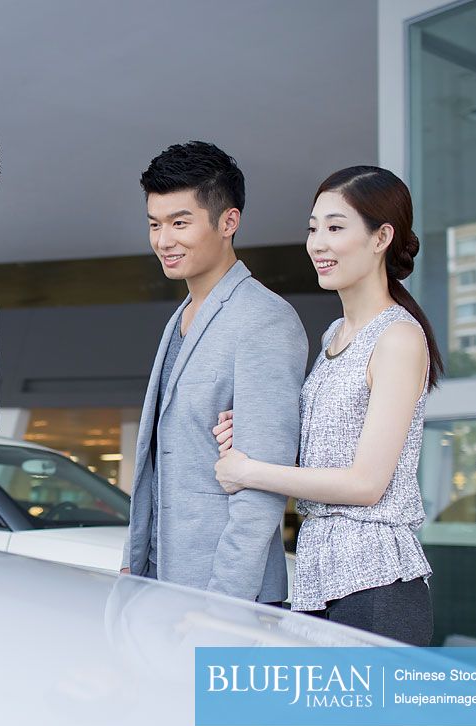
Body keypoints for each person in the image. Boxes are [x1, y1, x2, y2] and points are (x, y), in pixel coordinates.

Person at [214, 165, 443, 645]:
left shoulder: (398, 337)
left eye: (336, 228)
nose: (318, 244)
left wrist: (249, 471)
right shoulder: (334, 338)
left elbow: (365, 484)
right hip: (320, 582)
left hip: (376, 586)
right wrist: (251, 431)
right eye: (313, 229)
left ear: (382, 237)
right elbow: (325, 457)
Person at [122, 142, 307, 603]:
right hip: (159, 581)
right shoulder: (180, 317)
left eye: (180, 223)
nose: (164, 240)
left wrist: (223, 604)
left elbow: (263, 485)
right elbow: (157, 462)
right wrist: (134, 558)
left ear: (229, 222)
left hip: (220, 599)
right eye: (154, 224)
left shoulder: (264, 319)